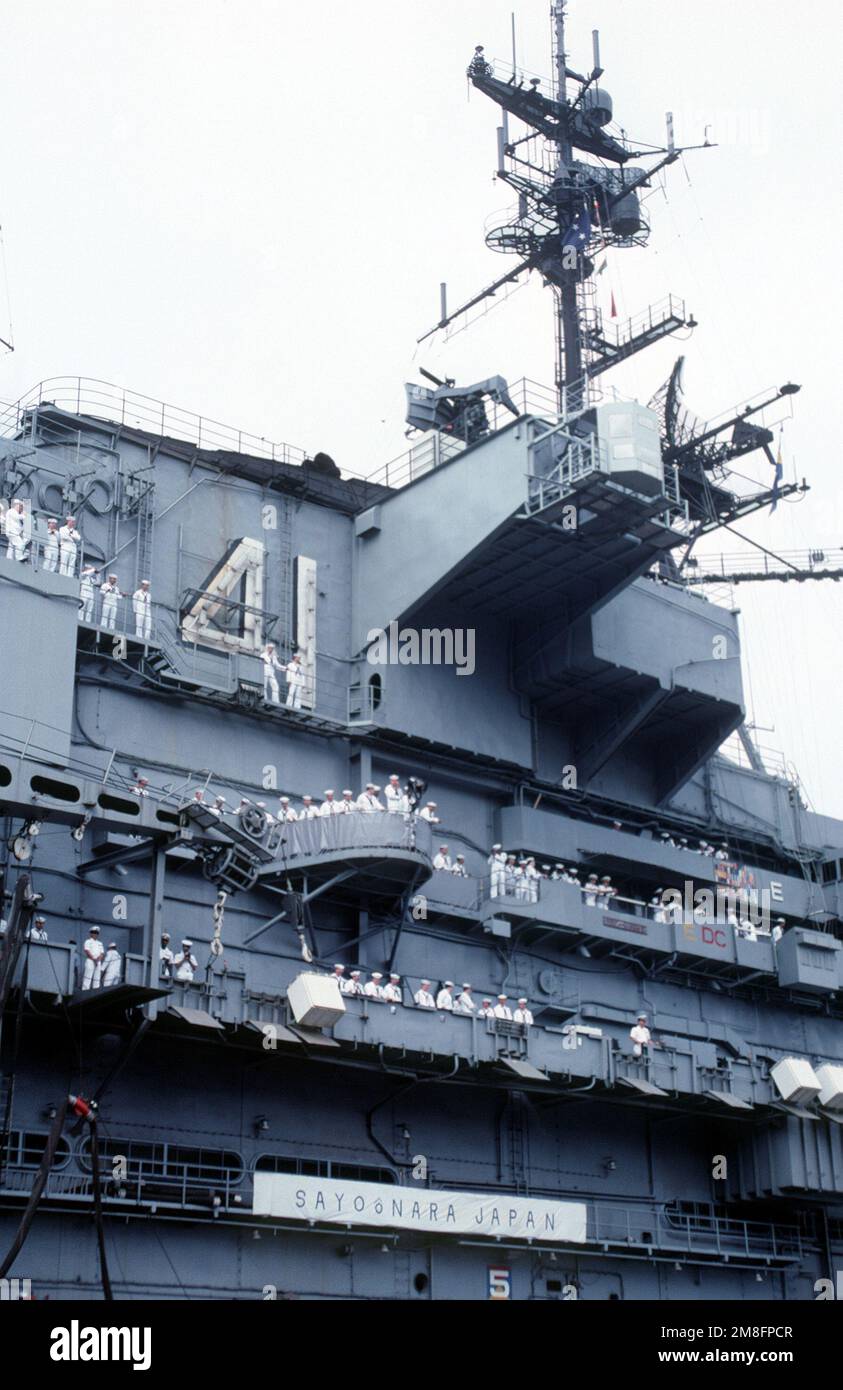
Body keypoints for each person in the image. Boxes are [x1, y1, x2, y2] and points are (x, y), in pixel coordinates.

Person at [82, 925, 105, 990]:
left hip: (98, 962)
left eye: (97, 933)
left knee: (97, 978)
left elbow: (102, 953)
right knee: (87, 977)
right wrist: (94, 959)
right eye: (94, 932)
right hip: (90, 961)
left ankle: (96, 991)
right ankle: (85, 991)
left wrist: (98, 960)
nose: (95, 934)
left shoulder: (100, 943)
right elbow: (87, 951)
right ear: (91, 933)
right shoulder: (88, 941)